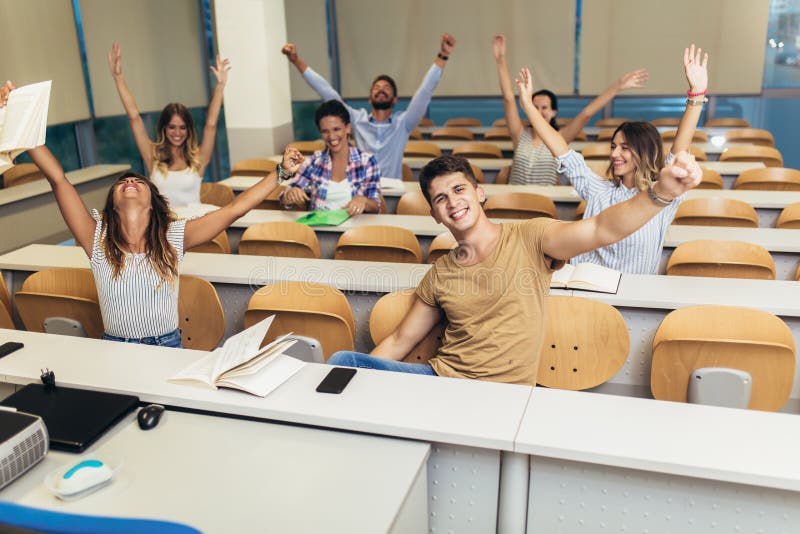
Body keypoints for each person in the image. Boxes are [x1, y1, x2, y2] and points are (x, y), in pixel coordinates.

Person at [328, 152, 702, 384]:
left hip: (501, 396)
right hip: (442, 381)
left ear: (480, 192)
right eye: (441, 199)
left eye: (459, 190)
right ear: (435, 215)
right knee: (342, 365)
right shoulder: (440, 272)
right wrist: (364, 385)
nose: (452, 202)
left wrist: (660, 194)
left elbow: (601, 229)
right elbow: (399, 342)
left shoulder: (531, 236)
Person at [3, 81, 305, 347]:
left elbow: (234, 209)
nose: (130, 181)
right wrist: (20, 116)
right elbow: (58, 179)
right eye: (123, 182)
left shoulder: (173, 236)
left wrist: (279, 173)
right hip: (114, 347)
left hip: (167, 346)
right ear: (112, 205)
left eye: (138, 181)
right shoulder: (96, 237)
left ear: (153, 203)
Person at [517, 45, 709, 274]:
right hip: (587, 296)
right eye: (613, 147)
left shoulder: (660, 194)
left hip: (634, 300)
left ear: (644, 152)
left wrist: (697, 94)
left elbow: (680, 150)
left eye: (625, 148)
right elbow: (561, 149)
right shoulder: (598, 189)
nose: (614, 154)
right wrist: (528, 105)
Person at [281, 33, 457, 179]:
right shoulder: (356, 120)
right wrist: (296, 60)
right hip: (360, 189)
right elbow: (327, 92)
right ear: (369, 98)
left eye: (387, 88)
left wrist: (443, 55)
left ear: (395, 99)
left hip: (392, 193)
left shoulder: (403, 124)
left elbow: (424, 92)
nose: (381, 90)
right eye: (377, 88)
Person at [492, 34, 648, 185]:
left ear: (554, 112)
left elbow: (586, 114)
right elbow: (508, 98)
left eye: (544, 107)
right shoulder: (519, 135)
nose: (539, 112)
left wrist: (618, 86)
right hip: (518, 202)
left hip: (545, 204)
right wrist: (500, 60)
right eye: (535, 107)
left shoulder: (559, 138)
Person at [107, 43, 230, 206]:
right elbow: (134, 117)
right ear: (164, 129)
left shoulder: (198, 158)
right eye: (172, 127)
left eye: (182, 127)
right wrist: (118, 78)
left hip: (194, 225)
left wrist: (220, 87)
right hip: (164, 227)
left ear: (188, 130)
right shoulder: (152, 155)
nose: (177, 132)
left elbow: (211, 125)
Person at [279, 100, 380, 215]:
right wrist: (290, 193)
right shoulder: (314, 161)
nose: (331, 136)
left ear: (347, 128)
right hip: (320, 230)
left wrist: (364, 201)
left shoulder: (367, 161)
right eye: (325, 131)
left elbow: (375, 206)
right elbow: (285, 197)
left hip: (356, 230)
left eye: (336, 129)